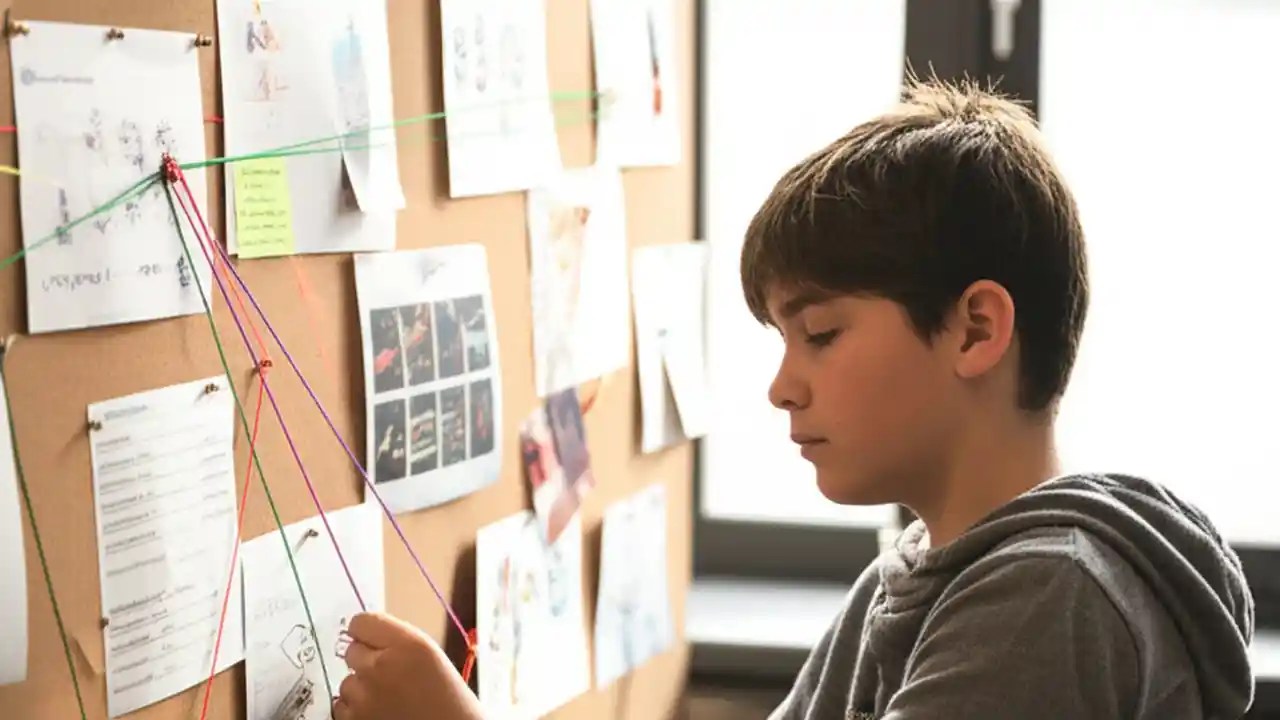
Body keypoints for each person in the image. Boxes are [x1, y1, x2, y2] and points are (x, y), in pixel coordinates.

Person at [330, 77, 1256, 719]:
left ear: (976, 330)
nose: (781, 387)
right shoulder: (909, 576)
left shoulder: (1051, 600)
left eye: (820, 335)